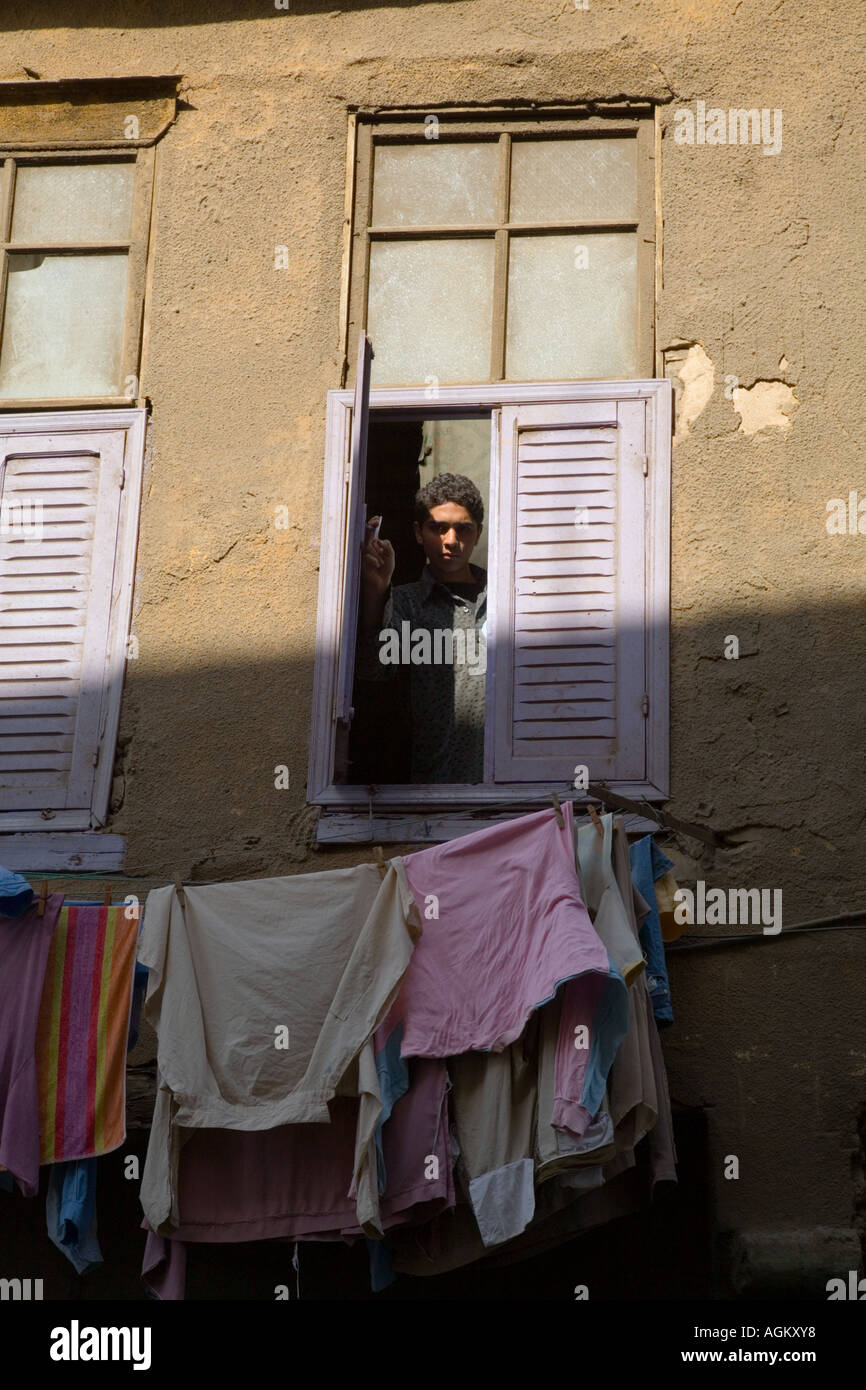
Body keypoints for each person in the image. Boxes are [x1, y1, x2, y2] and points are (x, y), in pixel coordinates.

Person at [357, 473, 487, 784]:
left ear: (478, 534)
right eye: (438, 528)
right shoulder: (408, 603)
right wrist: (377, 589)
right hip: (432, 788)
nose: (451, 540)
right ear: (418, 533)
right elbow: (372, 667)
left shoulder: (506, 598)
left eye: (463, 529)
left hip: (510, 790)